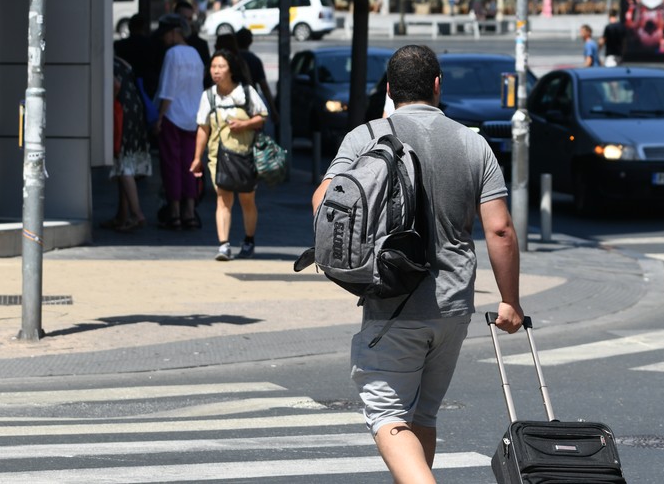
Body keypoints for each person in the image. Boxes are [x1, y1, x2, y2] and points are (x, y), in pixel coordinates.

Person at [312, 44, 523, 483]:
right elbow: (500, 229)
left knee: (387, 413)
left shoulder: (365, 136)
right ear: (438, 86)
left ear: (389, 90)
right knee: (422, 414)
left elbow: (322, 202)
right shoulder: (474, 143)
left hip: (392, 300)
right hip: (452, 307)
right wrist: (510, 302)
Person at [191, 50, 269, 261]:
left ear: (231, 69)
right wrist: (197, 157)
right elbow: (202, 129)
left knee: (247, 199)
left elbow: (262, 117)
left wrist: (244, 124)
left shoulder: (246, 92)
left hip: (245, 155)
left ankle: (248, 240)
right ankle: (224, 245)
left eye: (221, 66)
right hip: (218, 157)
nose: (215, 71)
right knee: (223, 199)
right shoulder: (208, 96)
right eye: (213, 67)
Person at [155, 14, 206, 230]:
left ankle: (175, 212)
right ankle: (190, 212)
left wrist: (158, 118)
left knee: (171, 165)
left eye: (166, 33)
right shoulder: (195, 54)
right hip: (193, 117)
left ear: (175, 31)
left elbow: (168, 90)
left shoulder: (172, 54)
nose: (164, 38)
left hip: (172, 116)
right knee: (190, 164)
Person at [101, 56, 153, 232]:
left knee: (123, 165)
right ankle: (122, 216)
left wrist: (109, 102)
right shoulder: (123, 62)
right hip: (135, 113)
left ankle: (137, 214)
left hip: (121, 115)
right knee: (127, 161)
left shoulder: (107, 62)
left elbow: (115, 84)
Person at [234, 28, 276, 122]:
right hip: (250, 103)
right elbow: (264, 87)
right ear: (250, 41)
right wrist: (273, 110)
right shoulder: (255, 60)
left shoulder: (231, 59)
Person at [175, 1, 212, 67]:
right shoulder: (167, 42)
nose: (186, 22)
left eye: (189, 19)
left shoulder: (200, 44)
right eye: (183, 18)